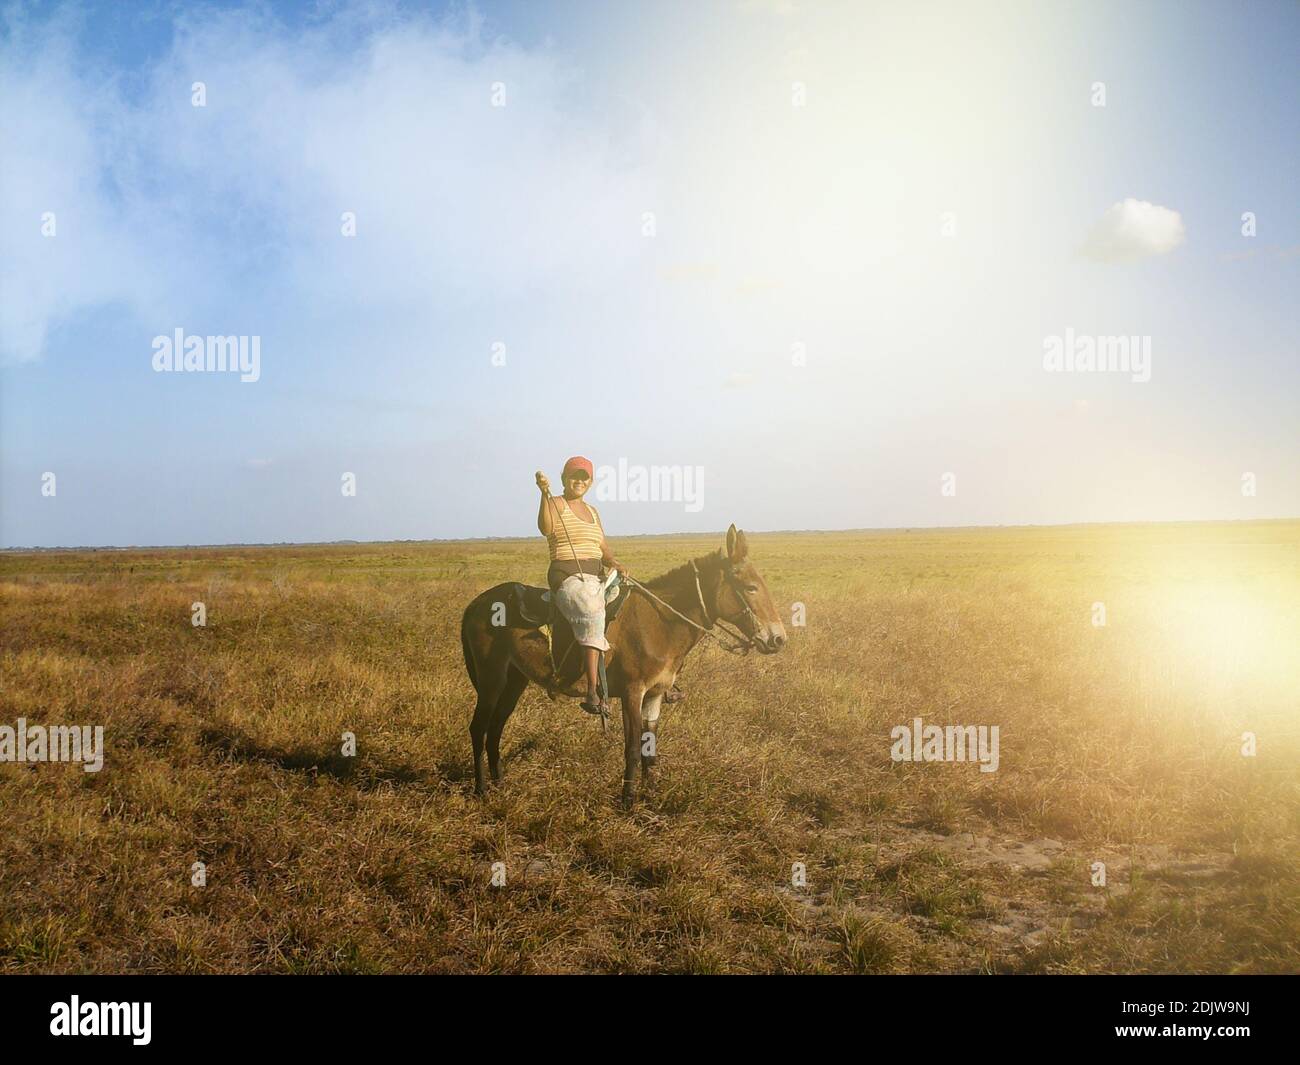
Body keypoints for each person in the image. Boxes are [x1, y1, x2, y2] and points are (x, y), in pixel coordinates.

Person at [536, 457, 627, 714]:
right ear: (564, 479)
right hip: (567, 576)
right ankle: (591, 690)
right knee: (590, 608)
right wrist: (543, 494)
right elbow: (545, 528)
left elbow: (603, 547)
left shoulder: (593, 512)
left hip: (596, 575)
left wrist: (614, 563)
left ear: (590, 482)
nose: (579, 481)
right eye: (574, 476)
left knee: (631, 599)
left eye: (584, 477)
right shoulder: (556, 503)